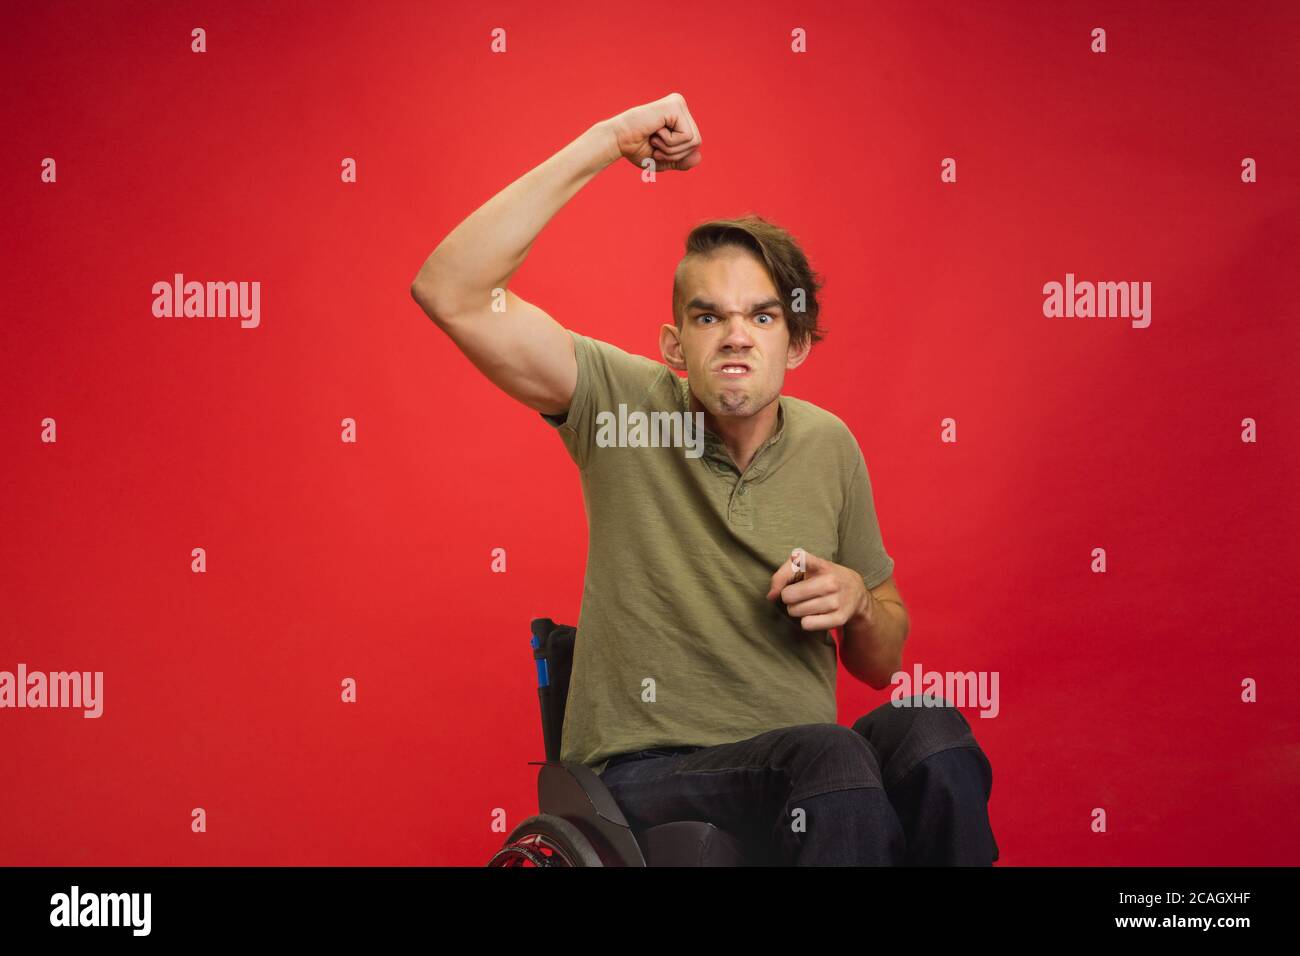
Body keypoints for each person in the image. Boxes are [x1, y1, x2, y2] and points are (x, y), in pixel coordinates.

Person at [410, 93, 998, 865]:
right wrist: (609, 139)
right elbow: (448, 288)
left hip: (808, 769)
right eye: (709, 316)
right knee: (833, 759)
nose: (735, 338)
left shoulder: (831, 447)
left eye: (760, 317)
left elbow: (880, 662)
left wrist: (858, 600)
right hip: (650, 770)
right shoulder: (618, 403)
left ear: (795, 347)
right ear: (673, 344)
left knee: (934, 735)